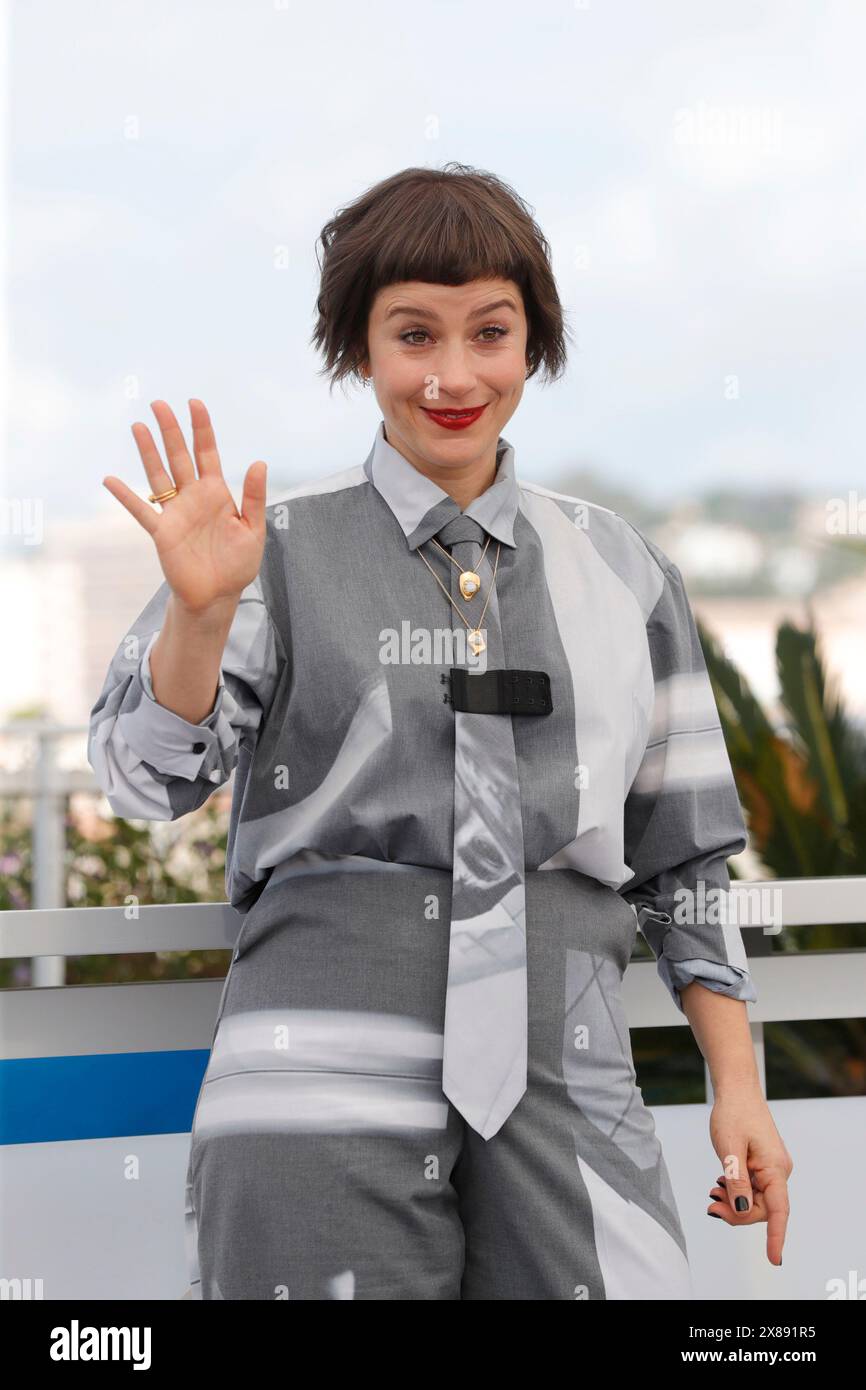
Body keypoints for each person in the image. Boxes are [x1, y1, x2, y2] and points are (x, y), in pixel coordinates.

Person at [88, 162, 792, 1300]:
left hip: (571, 1071)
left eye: (490, 332)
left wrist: (737, 1087)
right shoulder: (264, 551)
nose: (453, 375)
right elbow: (139, 777)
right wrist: (198, 613)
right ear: (358, 350)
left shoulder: (624, 570)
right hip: (313, 1072)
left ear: (533, 343)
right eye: (412, 335)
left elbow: (687, 857)